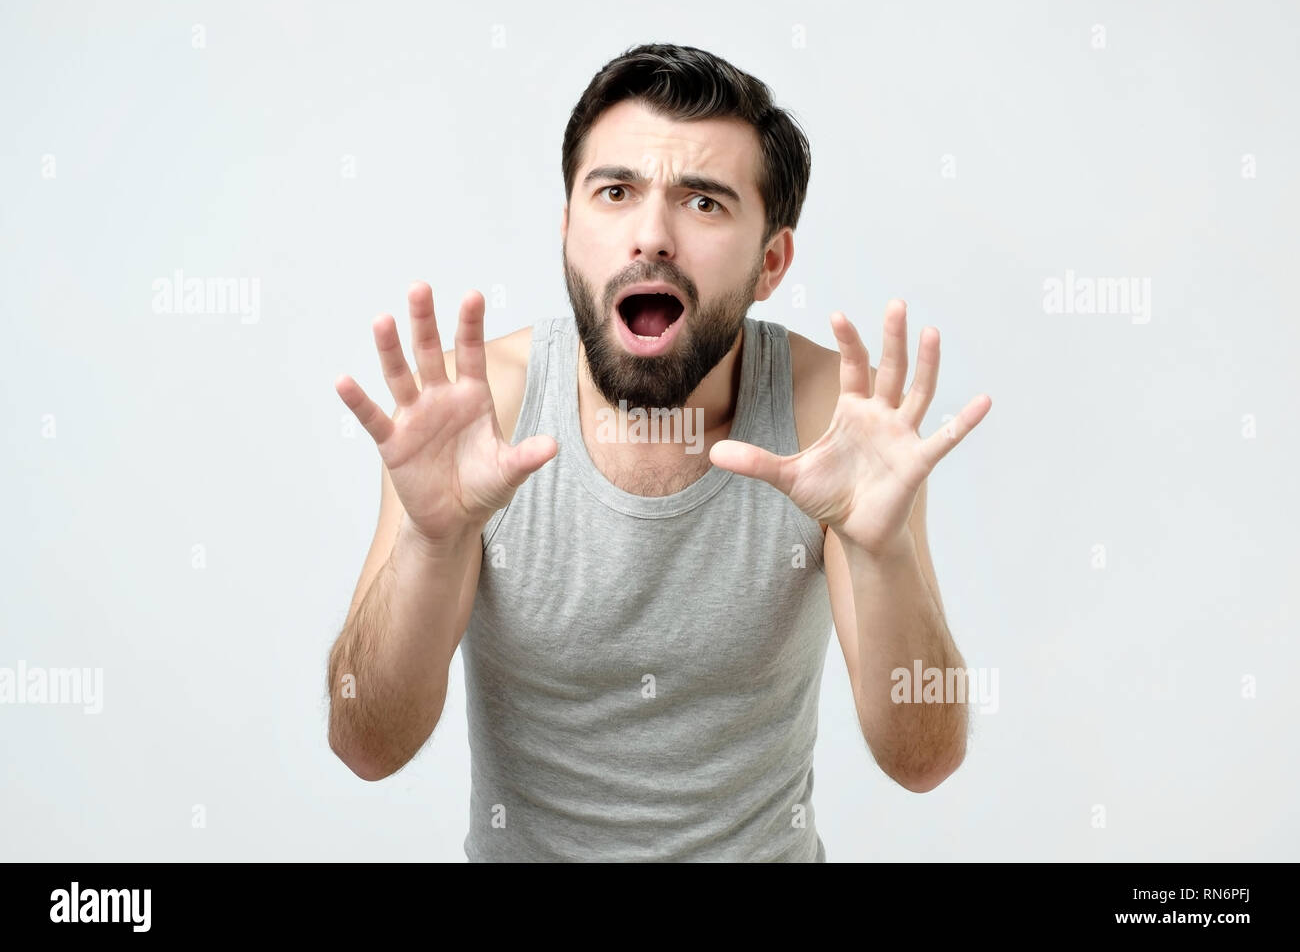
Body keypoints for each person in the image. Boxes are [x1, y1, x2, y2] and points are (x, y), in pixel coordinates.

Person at [327, 42, 992, 861]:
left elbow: (923, 761)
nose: (653, 236)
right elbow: (365, 746)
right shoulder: (477, 414)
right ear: (569, 229)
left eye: (704, 204)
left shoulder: (833, 416)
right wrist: (432, 542)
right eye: (615, 193)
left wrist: (882, 552)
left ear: (771, 263)